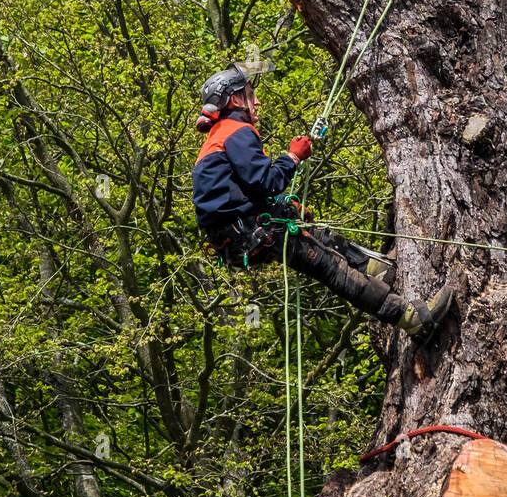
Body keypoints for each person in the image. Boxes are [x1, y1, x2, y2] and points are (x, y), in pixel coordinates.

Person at [192, 64, 453, 345]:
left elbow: (240, 195)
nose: (256, 101)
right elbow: (264, 181)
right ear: (235, 100)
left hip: (241, 237)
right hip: (251, 232)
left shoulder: (216, 140)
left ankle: (381, 271)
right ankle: (413, 320)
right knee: (332, 269)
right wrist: (292, 157)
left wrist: (280, 206)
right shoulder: (234, 131)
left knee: (321, 237)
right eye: (250, 94)